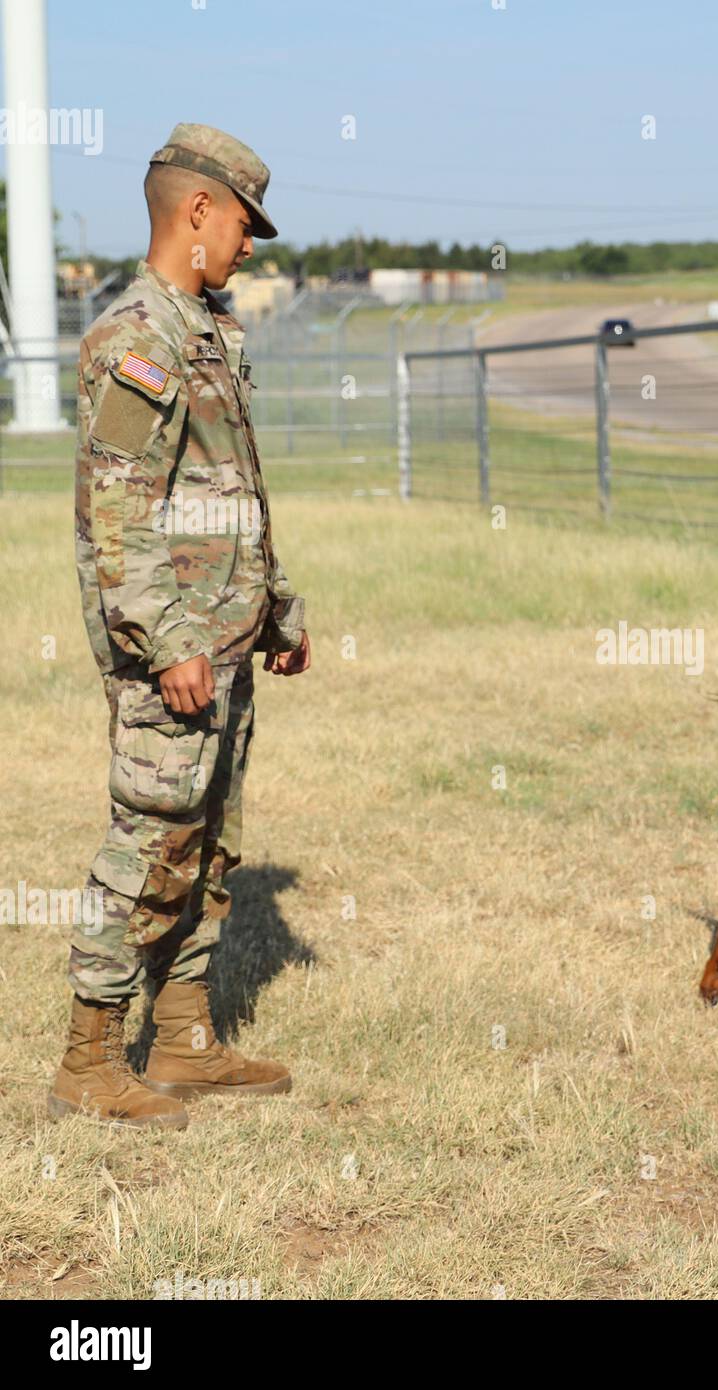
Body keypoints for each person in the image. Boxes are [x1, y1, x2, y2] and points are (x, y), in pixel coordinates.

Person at [51, 124, 310, 1130]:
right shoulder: (137, 338)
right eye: (246, 223)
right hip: (173, 650)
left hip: (225, 637)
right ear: (197, 209)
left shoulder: (207, 330)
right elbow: (117, 510)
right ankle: (88, 1055)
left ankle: (188, 1036)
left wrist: (277, 608)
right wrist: (167, 640)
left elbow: (227, 492)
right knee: (150, 840)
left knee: (210, 842)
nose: (252, 245)